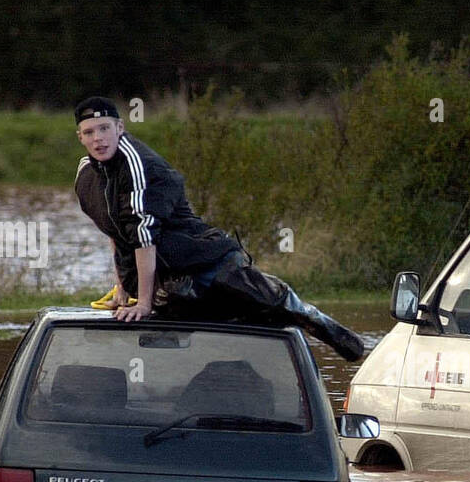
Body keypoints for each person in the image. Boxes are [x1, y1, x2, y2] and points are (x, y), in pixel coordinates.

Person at [72, 96, 365, 361]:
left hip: (209, 261)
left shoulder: (136, 165)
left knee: (275, 305)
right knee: (228, 323)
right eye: (89, 132)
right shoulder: (87, 174)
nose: (98, 138)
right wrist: (123, 289)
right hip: (170, 277)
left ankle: (345, 342)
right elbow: (114, 231)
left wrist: (144, 304)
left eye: (104, 128)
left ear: (120, 127)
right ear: (80, 137)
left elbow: (143, 237)